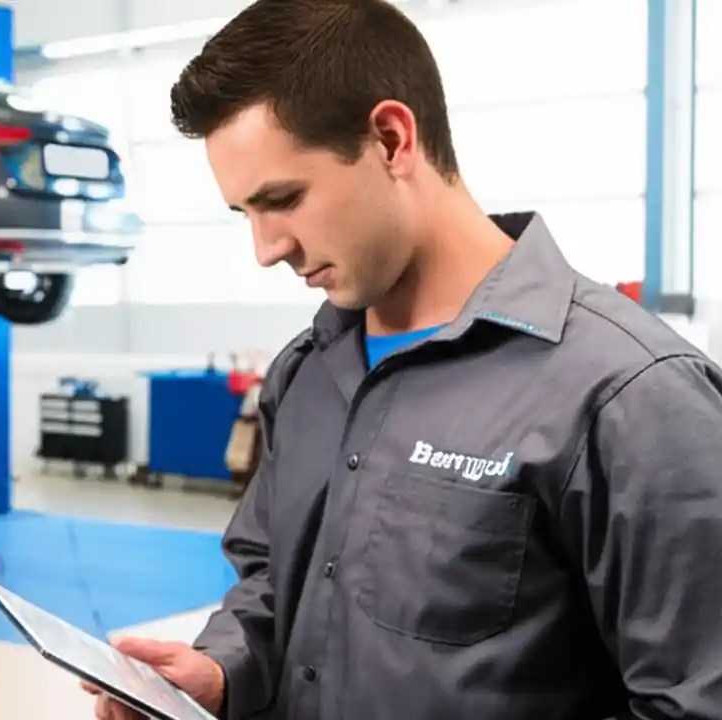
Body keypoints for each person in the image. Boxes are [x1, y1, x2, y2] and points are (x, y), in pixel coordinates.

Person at [84, 0, 722, 718]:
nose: (266, 250)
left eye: (284, 200)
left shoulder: (630, 397)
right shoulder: (307, 373)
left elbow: (691, 700)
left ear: (391, 139)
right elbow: (271, 582)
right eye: (246, 215)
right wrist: (222, 671)